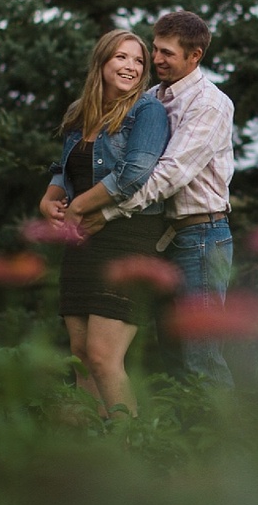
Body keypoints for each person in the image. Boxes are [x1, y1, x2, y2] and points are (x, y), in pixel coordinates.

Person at [74, 11, 235, 387]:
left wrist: (106, 211)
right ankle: (184, 445)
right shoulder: (150, 99)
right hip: (162, 238)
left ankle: (226, 444)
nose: (156, 59)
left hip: (202, 238)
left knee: (202, 357)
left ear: (194, 56)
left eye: (167, 53)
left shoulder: (209, 104)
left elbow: (168, 175)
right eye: (155, 49)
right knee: (174, 356)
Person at [40, 29, 170, 418]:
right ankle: (95, 460)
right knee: (81, 357)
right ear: (102, 61)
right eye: (121, 57)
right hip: (82, 243)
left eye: (138, 60)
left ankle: (132, 454)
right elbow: (67, 167)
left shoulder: (147, 111)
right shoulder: (82, 111)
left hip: (127, 237)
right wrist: (50, 195)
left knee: (103, 356)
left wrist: (79, 206)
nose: (131, 66)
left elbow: (135, 172)